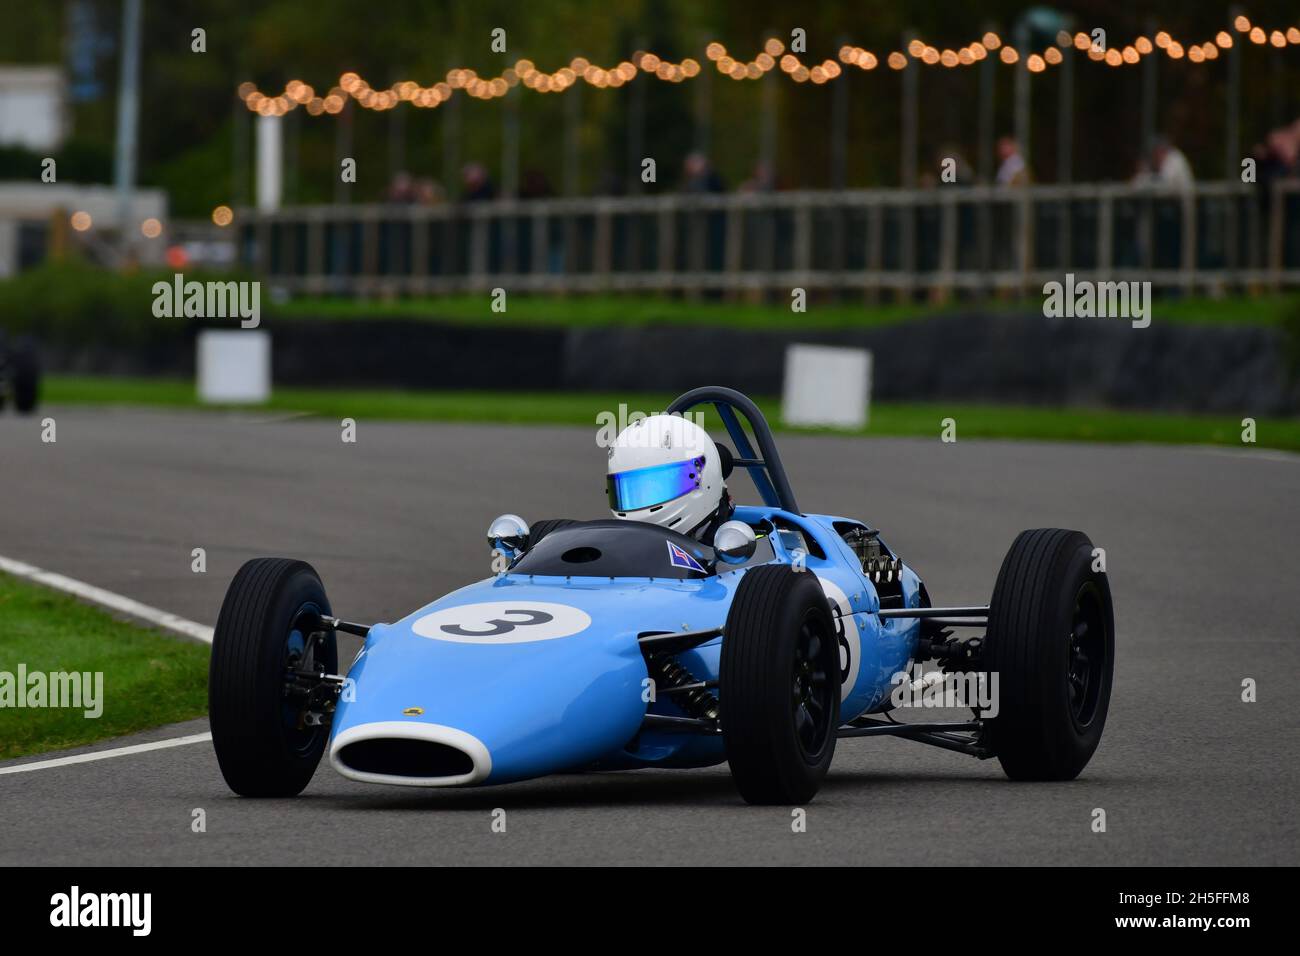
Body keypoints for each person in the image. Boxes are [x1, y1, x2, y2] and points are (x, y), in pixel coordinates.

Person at [605, 414, 733, 544]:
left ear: (699, 477)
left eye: (655, 488)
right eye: (631, 491)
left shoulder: (737, 549)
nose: (643, 496)